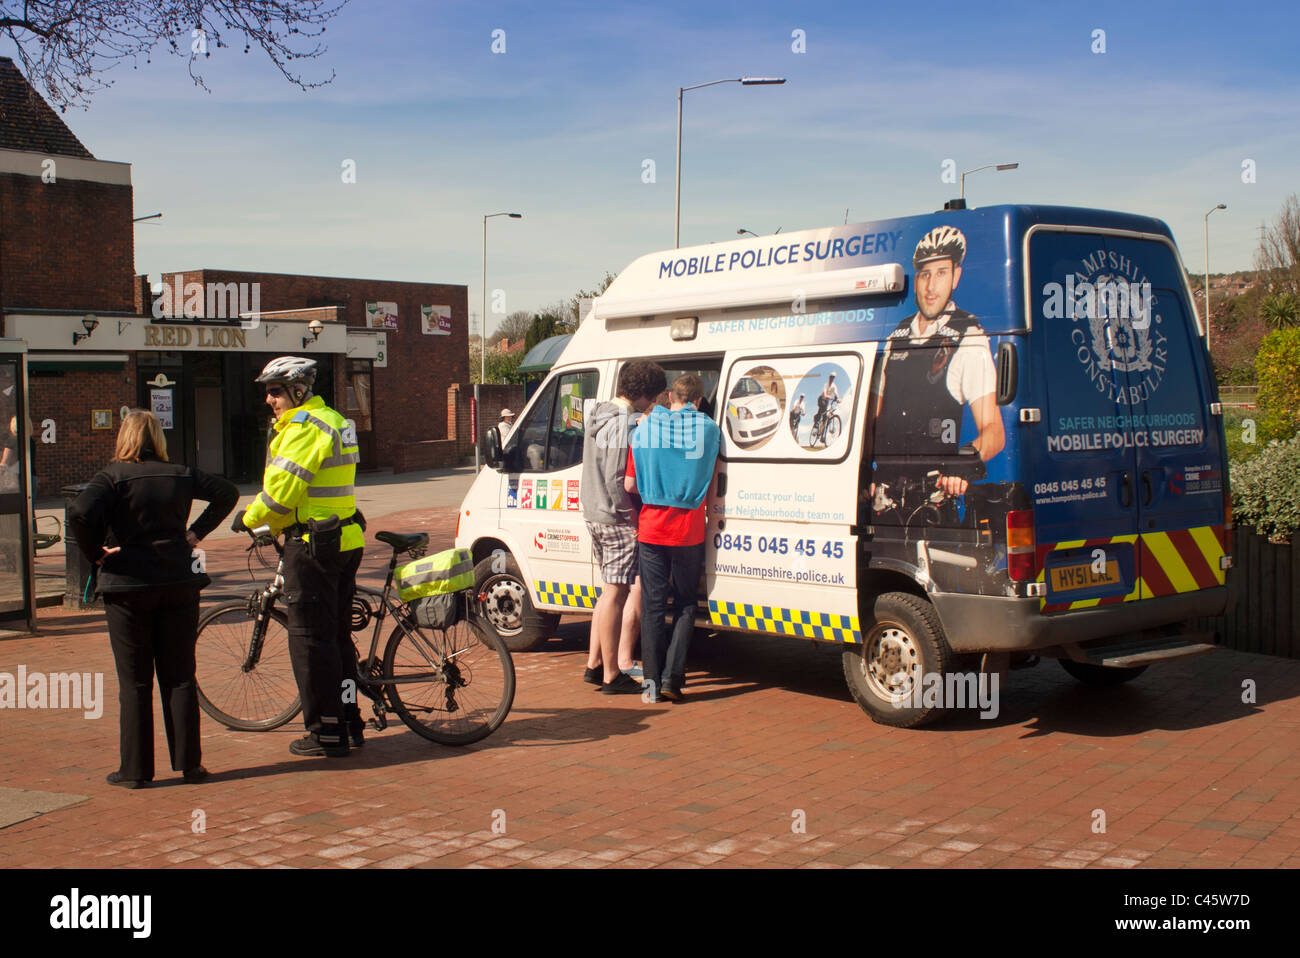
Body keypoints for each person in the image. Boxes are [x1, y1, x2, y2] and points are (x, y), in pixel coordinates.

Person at [67, 410, 238, 788]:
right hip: (177, 580)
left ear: (124, 437)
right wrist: (195, 533)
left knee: (135, 681)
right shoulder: (179, 473)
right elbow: (228, 493)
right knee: (180, 677)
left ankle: (136, 771)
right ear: (158, 438)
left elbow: (78, 511)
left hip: (127, 584)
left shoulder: (111, 477)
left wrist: (95, 551)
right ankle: (190, 766)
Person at [233, 356, 365, 758]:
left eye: (275, 391)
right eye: (268, 392)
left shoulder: (304, 428)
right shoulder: (334, 419)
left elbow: (281, 494)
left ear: (298, 390)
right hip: (344, 539)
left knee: (310, 640)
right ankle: (348, 720)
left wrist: (248, 518)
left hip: (312, 547)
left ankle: (325, 732)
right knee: (338, 637)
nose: (269, 400)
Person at [872, 225, 1004, 497]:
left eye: (941, 273)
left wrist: (963, 463)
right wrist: (862, 472)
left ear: (956, 276)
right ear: (916, 279)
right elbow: (872, 420)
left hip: (933, 500)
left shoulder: (968, 337)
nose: (931, 287)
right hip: (882, 502)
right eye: (925, 275)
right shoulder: (896, 336)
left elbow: (994, 431)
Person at [626, 373, 720, 702]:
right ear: (698, 401)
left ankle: (651, 684)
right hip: (688, 529)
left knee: (652, 607)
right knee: (684, 605)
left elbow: (631, 485)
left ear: (670, 397)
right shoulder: (708, 430)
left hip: (651, 527)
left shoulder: (645, 428)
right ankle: (672, 680)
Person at [580, 360, 666, 694]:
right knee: (617, 591)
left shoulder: (599, 414)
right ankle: (612, 674)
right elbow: (620, 478)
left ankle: (595, 664)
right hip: (614, 515)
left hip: (594, 510)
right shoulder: (623, 424)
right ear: (643, 393)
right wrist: (630, 517)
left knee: (608, 589)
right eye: (653, 396)